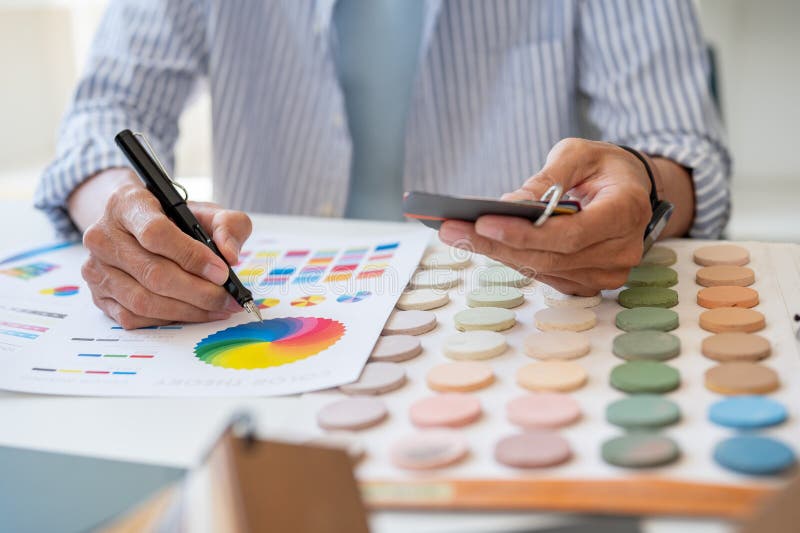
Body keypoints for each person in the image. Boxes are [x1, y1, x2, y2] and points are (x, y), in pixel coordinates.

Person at [37, 0, 730, 329]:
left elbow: (682, 147)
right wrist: (125, 216)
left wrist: (642, 185)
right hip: (273, 339)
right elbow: (103, 119)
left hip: (522, 325)